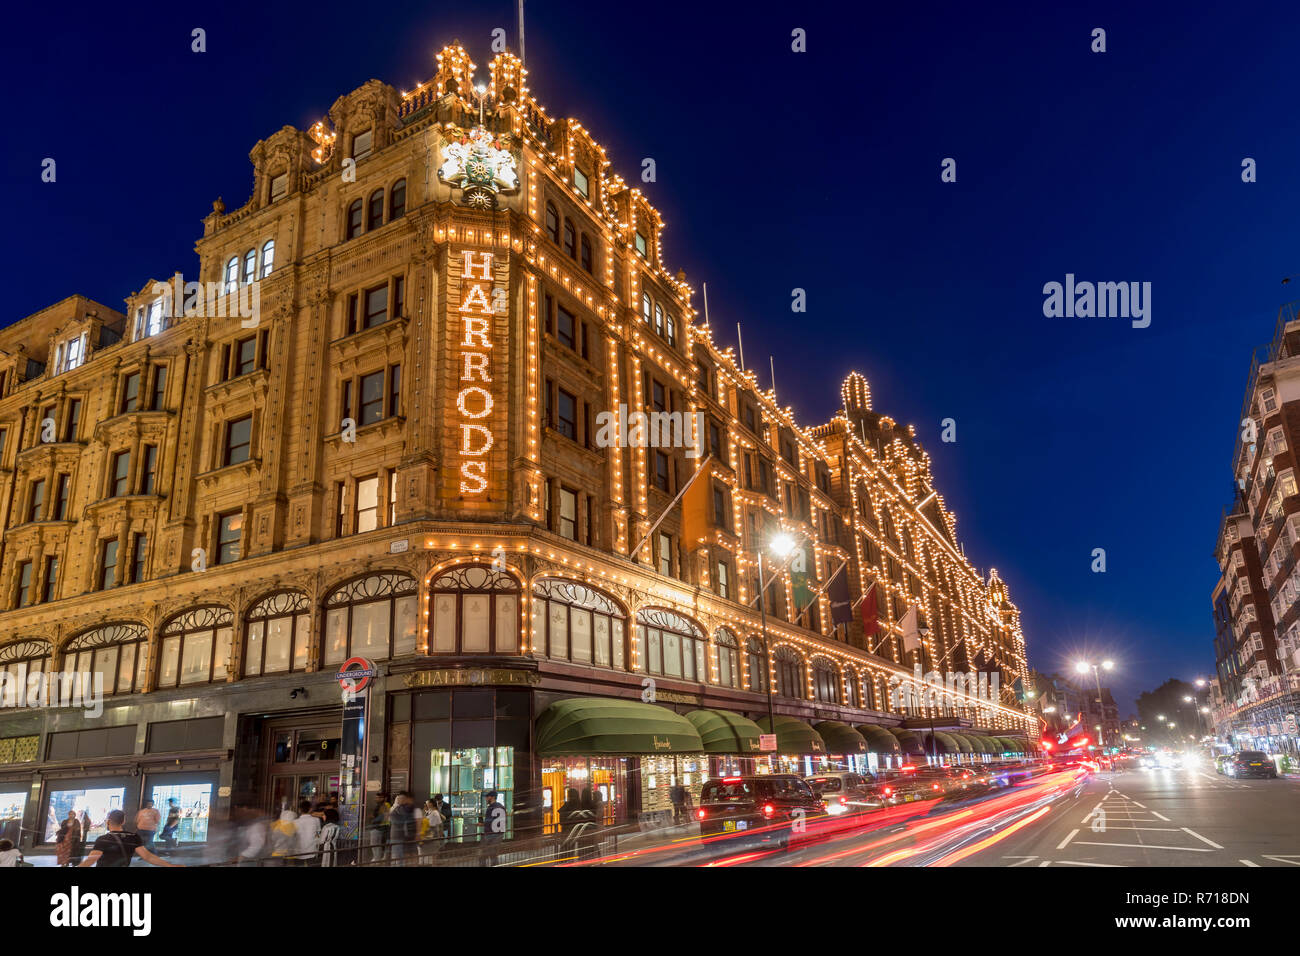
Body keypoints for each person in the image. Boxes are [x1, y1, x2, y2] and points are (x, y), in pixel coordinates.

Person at [78, 810, 182, 867]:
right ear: (123, 821)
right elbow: (148, 857)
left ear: (108, 822)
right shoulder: (133, 837)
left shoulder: (103, 839)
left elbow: (91, 860)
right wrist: (170, 866)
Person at [387, 792, 417, 866]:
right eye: (398, 798)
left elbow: (395, 819)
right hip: (397, 836)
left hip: (399, 836)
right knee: (397, 857)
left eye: (400, 798)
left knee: (399, 858)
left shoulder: (402, 808)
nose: (398, 800)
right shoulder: (399, 808)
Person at [481, 790, 507, 865]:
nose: (486, 799)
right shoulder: (501, 806)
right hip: (499, 834)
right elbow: (501, 821)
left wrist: (483, 824)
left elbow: (490, 822)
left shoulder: (491, 808)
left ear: (492, 797)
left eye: (487, 797)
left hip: (491, 834)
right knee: (493, 855)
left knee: (483, 856)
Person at [294, 800, 322, 865]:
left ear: (299, 809)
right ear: (310, 809)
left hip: (298, 851)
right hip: (312, 850)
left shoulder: (295, 822)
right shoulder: (316, 820)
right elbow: (318, 834)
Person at [367, 793, 391, 863]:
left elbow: (384, 816)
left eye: (378, 798)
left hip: (378, 827)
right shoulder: (379, 805)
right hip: (377, 827)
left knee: (375, 843)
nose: (376, 799)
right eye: (376, 797)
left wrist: (373, 819)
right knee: (375, 844)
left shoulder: (385, 805)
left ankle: (377, 859)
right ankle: (377, 858)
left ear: (383, 798)